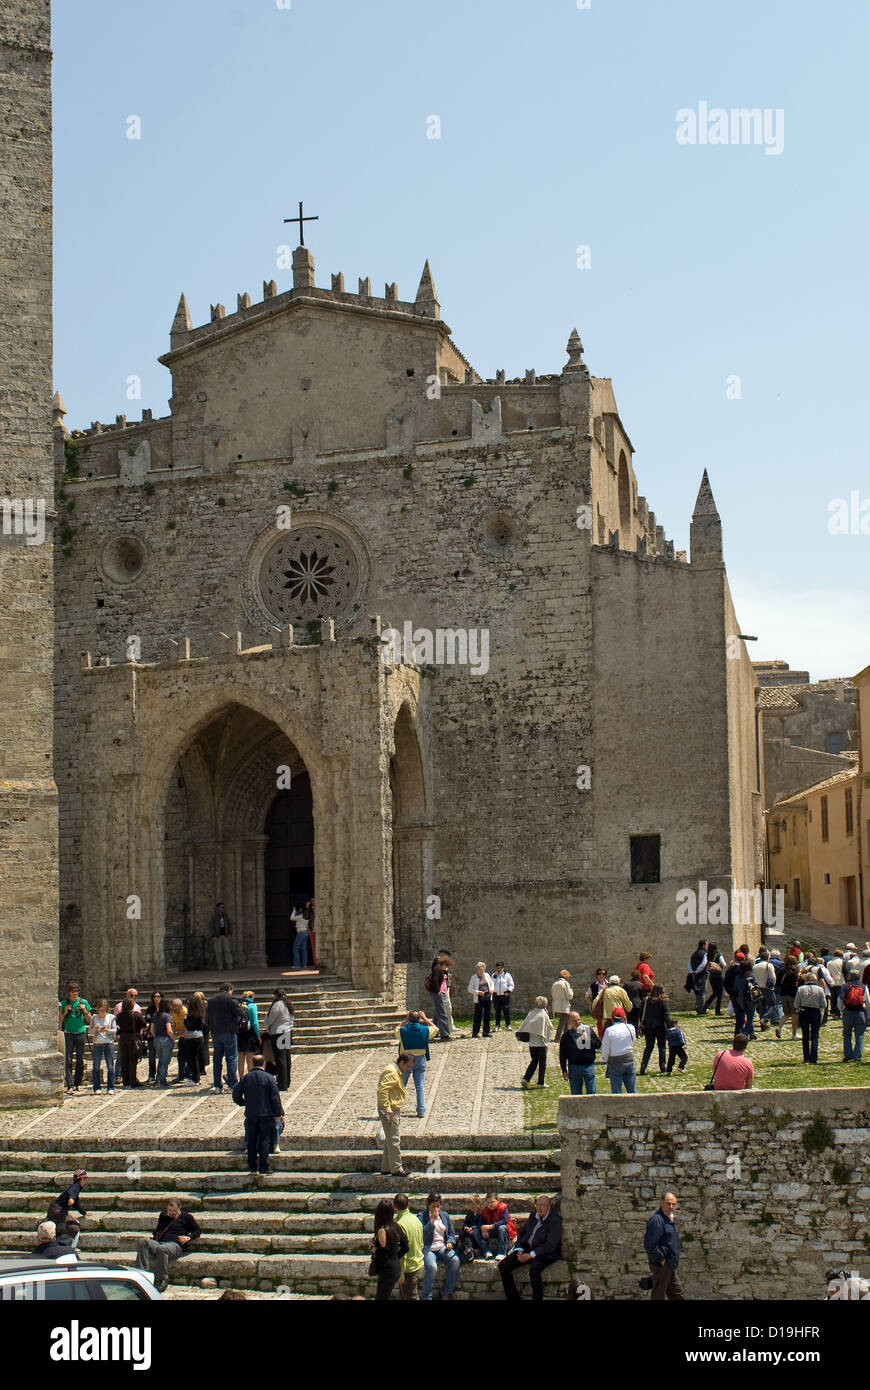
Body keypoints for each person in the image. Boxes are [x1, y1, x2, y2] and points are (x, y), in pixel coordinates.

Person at [498, 1194, 562, 1302]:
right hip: (527, 1248)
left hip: (545, 1252)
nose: (539, 1208)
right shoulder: (533, 1215)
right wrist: (519, 1249)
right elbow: (523, 1233)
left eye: (542, 1205)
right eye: (538, 1205)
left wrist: (530, 1255)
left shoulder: (555, 1220)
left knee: (534, 1269)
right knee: (503, 1266)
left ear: (548, 1207)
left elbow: (550, 1245)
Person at [232, 1053, 284, 1175]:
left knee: (251, 1140)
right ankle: (264, 1166)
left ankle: (252, 1167)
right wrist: (278, 1113)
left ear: (253, 1064)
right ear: (264, 1064)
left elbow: (236, 1094)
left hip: (251, 1114)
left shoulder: (246, 1078)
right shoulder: (269, 1078)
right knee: (264, 1140)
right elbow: (275, 1098)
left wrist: (243, 1103)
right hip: (266, 1115)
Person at [136, 1199, 201, 1293]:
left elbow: (198, 1231)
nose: (171, 1213)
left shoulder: (186, 1217)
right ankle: (142, 1275)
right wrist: (153, 1236)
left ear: (179, 1208)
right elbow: (159, 1229)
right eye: (170, 1211)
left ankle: (161, 1280)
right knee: (142, 1241)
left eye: (174, 1211)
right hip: (160, 1243)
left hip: (175, 1245)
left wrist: (188, 1238)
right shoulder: (163, 1216)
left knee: (162, 1249)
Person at [377, 1053, 414, 1178]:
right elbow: (383, 1091)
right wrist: (387, 1108)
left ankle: (386, 1167)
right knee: (394, 1139)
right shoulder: (392, 1072)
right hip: (390, 1110)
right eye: (407, 1066)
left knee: (389, 1139)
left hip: (392, 1108)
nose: (408, 1069)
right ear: (402, 1062)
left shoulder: (395, 1071)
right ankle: (397, 1168)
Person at [396, 1009, 438, 1117]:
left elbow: (396, 1029)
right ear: (419, 1020)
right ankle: (421, 1110)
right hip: (420, 1059)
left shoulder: (403, 1030)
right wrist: (425, 1019)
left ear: (409, 1019)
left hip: (405, 1060)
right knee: (419, 1086)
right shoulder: (425, 1030)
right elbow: (435, 1028)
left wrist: (404, 1021)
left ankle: (396, 1108)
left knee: (401, 1085)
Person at [419, 1192, 461, 1301]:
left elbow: (451, 1233)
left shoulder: (444, 1215)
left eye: (438, 1206)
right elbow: (422, 1235)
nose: (436, 1209)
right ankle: (426, 1296)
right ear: (428, 1205)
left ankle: (447, 1291)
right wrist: (431, 1221)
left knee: (455, 1260)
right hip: (429, 1249)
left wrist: (451, 1242)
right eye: (433, 1206)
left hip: (442, 1247)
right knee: (432, 1267)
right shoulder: (421, 1216)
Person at [643, 1192, 683, 1300]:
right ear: (661, 1203)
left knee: (676, 1293)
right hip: (662, 1265)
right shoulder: (657, 1220)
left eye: (673, 1204)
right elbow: (650, 1244)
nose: (671, 1206)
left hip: (670, 1264)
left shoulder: (668, 1219)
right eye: (668, 1203)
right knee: (659, 1294)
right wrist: (661, 1259)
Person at [370, 1198, 408, 1301]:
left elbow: (384, 1253)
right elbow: (405, 1247)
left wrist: (374, 1250)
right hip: (396, 1267)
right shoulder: (396, 1226)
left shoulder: (382, 1230)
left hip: (387, 1270)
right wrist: (395, 1256)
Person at [207, 982, 242, 1092]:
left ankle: (217, 1085)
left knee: (217, 1059)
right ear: (229, 989)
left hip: (216, 1032)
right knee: (231, 1058)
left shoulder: (211, 1000)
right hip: (229, 1031)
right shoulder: (230, 999)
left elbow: (207, 1016)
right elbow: (239, 1013)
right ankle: (232, 1085)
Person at [59, 981, 92, 1095]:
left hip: (80, 1032)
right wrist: (65, 1011)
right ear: (69, 993)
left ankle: (78, 1083)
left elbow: (89, 1019)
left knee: (80, 1060)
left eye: (77, 991)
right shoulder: (64, 1003)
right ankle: (70, 1085)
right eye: (73, 991)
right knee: (68, 1059)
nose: (75, 994)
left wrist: (84, 1010)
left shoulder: (84, 1002)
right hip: (68, 1033)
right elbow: (60, 1019)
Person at [517, 995, 555, 1088]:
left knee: (534, 1061)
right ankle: (540, 1082)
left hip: (532, 1043)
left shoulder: (531, 1013)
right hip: (541, 1043)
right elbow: (550, 1027)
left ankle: (526, 1079)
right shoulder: (543, 1014)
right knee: (542, 1063)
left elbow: (525, 1024)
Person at [559, 1010, 600, 1094]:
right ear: (569, 1022)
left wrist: (588, 1039)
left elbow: (598, 1045)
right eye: (575, 1021)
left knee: (592, 1093)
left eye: (579, 1020)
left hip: (588, 1066)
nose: (578, 1022)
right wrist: (564, 1070)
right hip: (574, 1068)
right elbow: (562, 1055)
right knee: (575, 1094)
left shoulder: (588, 1030)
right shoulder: (566, 1036)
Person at [395, 1192, 424, 1299]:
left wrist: (401, 1273)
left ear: (395, 1207)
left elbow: (402, 1252)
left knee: (411, 1296)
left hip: (408, 1269)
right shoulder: (416, 1220)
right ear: (409, 1204)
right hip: (418, 1263)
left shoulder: (399, 1224)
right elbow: (421, 1243)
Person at [601, 1007, 637, 1093]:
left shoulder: (609, 1031)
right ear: (624, 1018)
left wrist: (605, 1059)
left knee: (616, 1090)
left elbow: (605, 1048)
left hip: (615, 1061)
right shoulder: (631, 1028)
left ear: (612, 1019)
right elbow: (633, 1041)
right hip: (628, 1058)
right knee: (632, 1088)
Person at [264, 988, 294, 1091]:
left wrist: (266, 1022)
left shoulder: (277, 1005)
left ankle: (282, 1083)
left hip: (279, 1033)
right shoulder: (288, 1005)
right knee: (286, 1056)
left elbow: (270, 1019)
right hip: (287, 1032)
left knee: (280, 1058)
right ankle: (287, 1081)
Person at [794, 968, 826, 1064]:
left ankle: (806, 1057)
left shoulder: (800, 989)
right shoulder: (820, 989)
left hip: (804, 1012)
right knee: (815, 1035)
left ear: (805, 980)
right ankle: (814, 1058)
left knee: (805, 1035)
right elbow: (824, 1004)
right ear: (815, 980)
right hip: (815, 1012)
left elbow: (796, 1004)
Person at [639, 984, 671, 1075]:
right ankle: (662, 1066)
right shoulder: (663, 1001)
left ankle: (643, 1065)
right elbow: (666, 1016)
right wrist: (670, 1027)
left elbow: (641, 1014)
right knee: (662, 1047)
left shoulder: (646, 1001)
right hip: (660, 1028)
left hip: (648, 1027)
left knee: (649, 1047)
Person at [475, 1189, 516, 1259]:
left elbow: (504, 1220)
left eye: (492, 1202)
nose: (490, 1205)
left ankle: (502, 1252)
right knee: (475, 1231)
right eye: (488, 1203)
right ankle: (486, 1251)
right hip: (491, 1230)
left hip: (504, 1230)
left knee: (502, 1228)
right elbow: (480, 1222)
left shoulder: (504, 1207)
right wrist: (483, 1229)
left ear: (498, 1200)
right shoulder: (485, 1210)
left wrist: (492, 1226)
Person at [47, 1168, 88, 1235]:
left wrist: (84, 1212)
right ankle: (67, 1243)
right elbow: (71, 1193)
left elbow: (76, 1204)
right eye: (85, 1179)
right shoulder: (76, 1186)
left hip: (53, 1209)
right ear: (82, 1179)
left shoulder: (75, 1187)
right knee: (74, 1227)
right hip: (58, 1210)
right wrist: (71, 1198)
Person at [116, 995, 144, 1088]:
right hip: (133, 1038)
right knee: (133, 1060)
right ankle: (133, 1080)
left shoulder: (119, 1016)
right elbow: (143, 1023)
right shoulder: (136, 1014)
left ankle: (126, 1080)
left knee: (124, 1059)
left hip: (123, 1038)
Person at [89, 998, 116, 1094]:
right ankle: (97, 1087)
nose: (102, 1013)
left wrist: (107, 1030)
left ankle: (111, 1087)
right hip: (97, 1043)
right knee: (96, 1066)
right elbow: (90, 1031)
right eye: (100, 1011)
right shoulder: (94, 1018)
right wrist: (95, 1029)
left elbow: (115, 1030)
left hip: (108, 1043)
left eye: (104, 1011)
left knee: (110, 1066)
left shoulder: (111, 1017)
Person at [842, 970, 870, 1061]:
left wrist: (842, 1009)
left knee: (847, 1034)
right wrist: (868, 1016)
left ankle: (848, 1054)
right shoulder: (863, 987)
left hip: (848, 1012)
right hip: (860, 1012)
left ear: (850, 976)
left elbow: (840, 1000)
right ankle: (857, 1056)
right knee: (860, 1035)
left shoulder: (845, 986)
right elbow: (868, 1001)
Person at [426, 951, 453, 1041]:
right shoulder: (438, 969)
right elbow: (434, 980)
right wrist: (438, 990)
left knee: (437, 1013)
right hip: (436, 992)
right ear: (444, 963)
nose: (447, 968)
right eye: (447, 965)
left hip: (436, 992)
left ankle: (434, 1032)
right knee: (442, 1012)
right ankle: (445, 1034)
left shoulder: (439, 968)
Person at [179, 993, 205, 1085]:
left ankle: (195, 1079)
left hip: (193, 1038)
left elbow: (190, 1027)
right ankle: (195, 1077)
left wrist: (185, 1020)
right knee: (193, 1059)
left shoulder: (194, 1015)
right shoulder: (199, 1012)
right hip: (196, 1037)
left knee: (192, 1059)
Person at [149, 997, 175, 1087]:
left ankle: (158, 1079)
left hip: (157, 1039)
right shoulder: (167, 1016)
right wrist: (173, 1038)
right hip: (165, 1039)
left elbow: (151, 1029)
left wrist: (156, 1036)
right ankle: (162, 1080)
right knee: (165, 1062)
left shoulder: (155, 1015)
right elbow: (169, 1030)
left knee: (160, 1060)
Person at [732, 961, 759, 1042]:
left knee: (748, 1015)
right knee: (750, 1017)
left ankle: (752, 1033)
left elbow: (735, 989)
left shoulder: (737, 977)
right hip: (750, 998)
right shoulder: (751, 976)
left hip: (741, 999)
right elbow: (755, 987)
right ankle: (745, 1033)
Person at [467, 961, 495, 1038]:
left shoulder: (487, 975)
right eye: (480, 970)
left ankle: (486, 1032)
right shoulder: (474, 977)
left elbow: (492, 983)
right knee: (478, 1015)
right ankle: (475, 1032)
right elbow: (469, 989)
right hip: (479, 997)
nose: (481, 971)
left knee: (487, 1015)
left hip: (487, 996)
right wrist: (477, 992)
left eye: (483, 969)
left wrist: (492, 989)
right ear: (477, 970)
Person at [238, 990, 261, 1077]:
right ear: (252, 997)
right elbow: (255, 1023)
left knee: (240, 1059)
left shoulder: (239, 1005)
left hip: (240, 1034)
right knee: (250, 1058)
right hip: (249, 1033)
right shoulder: (252, 1006)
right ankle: (250, 1077)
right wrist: (258, 1035)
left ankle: (241, 1078)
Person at [143, 991, 163, 1083]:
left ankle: (161, 1074)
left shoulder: (164, 1008)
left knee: (162, 1056)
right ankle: (151, 1075)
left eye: (158, 996)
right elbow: (147, 1018)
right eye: (155, 996)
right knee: (151, 1056)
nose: (156, 998)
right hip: (152, 1035)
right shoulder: (150, 1008)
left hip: (162, 1034)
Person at [551, 970, 574, 1042]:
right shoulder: (565, 984)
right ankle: (557, 1037)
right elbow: (569, 996)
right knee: (563, 1021)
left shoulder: (554, 984)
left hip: (556, 1004)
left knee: (566, 1021)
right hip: (564, 1005)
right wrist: (572, 991)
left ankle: (566, 1036)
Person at [704, 942, 726, 1015]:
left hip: (711, 976)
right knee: (719, 993)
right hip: (718, 976)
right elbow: (724, 964)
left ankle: (705, 1005)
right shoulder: (718, 955)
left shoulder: (708, 955)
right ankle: (717, 1010)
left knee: (715, 993)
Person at [585, 967, 608, 1038]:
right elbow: (587, 996)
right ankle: (601, 1039)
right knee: (600, 1024)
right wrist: (592, 1004)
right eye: (599, 974)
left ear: (605, 975)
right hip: (599, 1008)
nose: (601, 975)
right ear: (597, 975)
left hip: (608, 1007)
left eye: (603, 973)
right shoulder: (593, 986)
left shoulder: (609, 984)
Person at [211, 900, 234, 970]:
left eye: (223, 907)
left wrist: (230, 933)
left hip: (225, 935)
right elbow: (211, 926)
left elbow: (229, 925)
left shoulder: (225, 916)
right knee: (219, 952)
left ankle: (229, 964)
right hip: (217, 936)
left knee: (227, 950)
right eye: (222, 907)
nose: (223, 909)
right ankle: (220, 965)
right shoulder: (214, 917)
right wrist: (213, 936)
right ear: (218, 908)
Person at [491, 962, 514, 1031]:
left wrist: (508, 991)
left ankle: (508, 1025)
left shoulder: (507, 975)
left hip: (505, 995)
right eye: (498, 967)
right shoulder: (494, 975)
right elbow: (491, 983)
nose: (499, 969)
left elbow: (511, 984)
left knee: (506, 1010)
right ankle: (497, 1025)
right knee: (497, 1011)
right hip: (496, 995)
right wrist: (495, 976)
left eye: (500, 967)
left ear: (503, 967)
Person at [169, 998, 188, 1081]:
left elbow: (187, 1026)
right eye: (172, 1006)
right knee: (180, 1057)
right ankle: (181, 1074)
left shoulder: (185, 1012)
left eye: (175, 1007)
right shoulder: (175, 1012)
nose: (173, 1009)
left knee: (187, 1057)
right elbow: (173, 1022)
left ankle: (187, 1074)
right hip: (181, 1036)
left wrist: (179, 1032)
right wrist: (174, 1029)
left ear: (180, 1006)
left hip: (187, 1037)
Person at [688, 939, 708, 1014]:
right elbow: (703, 964)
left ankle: (697, 1007)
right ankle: (701, 1010)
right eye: (706, 944)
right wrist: (697, 971)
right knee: (702, 992)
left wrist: (692, 972)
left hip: (695, 976)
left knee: (697, 992)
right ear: (703, 945)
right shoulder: (705, 954)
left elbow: (689, 963)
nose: (707, 946)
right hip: (702, 975)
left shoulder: (694, 954)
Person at [290, 901, 310, 969]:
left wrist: (294, 910)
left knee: (295, 948)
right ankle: (304, 964)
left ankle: (297, 965)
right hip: (305, 932)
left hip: (300, 932)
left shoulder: (300, 916)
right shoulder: (307, 915)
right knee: (303, 948)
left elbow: (292, 918)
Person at [827, 950, 846, 1018]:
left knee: (833, 998)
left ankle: (833, 1012)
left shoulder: (829, 962)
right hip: (840, 981)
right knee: (839, 997)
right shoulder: (842, 962)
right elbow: (845, 971)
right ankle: (838, 1012)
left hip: (831, 981)